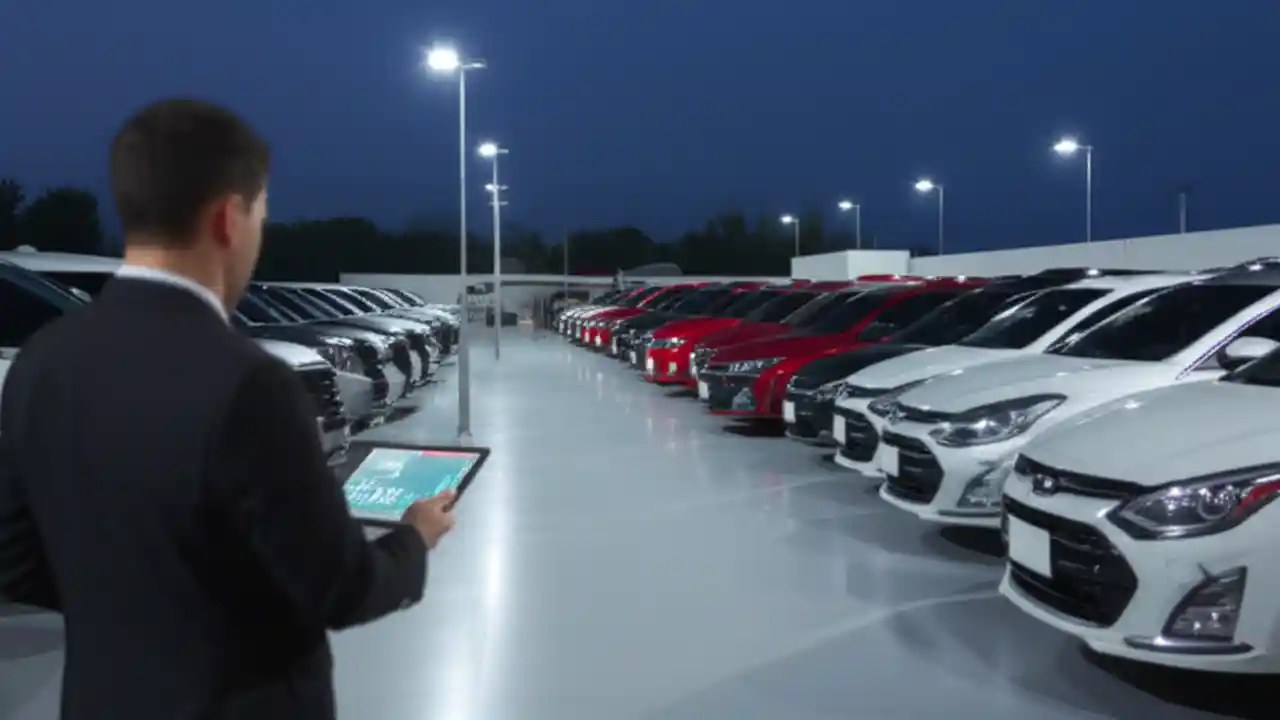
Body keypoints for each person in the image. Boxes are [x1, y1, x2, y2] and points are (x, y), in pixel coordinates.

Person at [0, 98, 457, 719]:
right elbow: (341, 590)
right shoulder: (249, 383)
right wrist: (414, 536)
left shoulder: (41, 361)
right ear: (226, 219)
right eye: (260, 214)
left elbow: (15, 558)